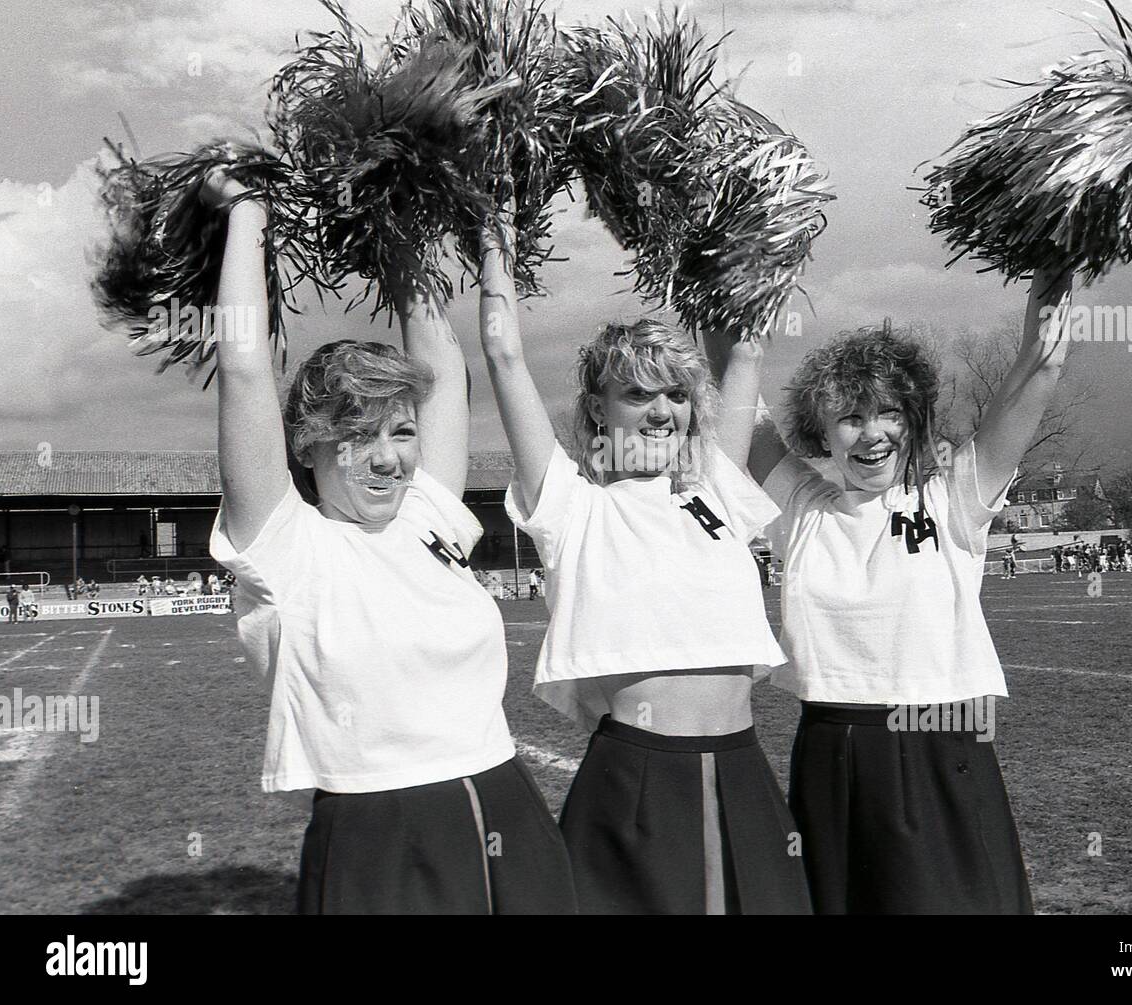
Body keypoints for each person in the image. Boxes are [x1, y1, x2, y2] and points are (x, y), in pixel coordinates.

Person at [199, 169, 575, 915]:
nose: (387, 457)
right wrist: (246, 213)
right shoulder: (286, 547)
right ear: (306, 445)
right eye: (355, 433)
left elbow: (436, 351)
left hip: (507, 805)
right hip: (377, 833)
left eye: (402, 432)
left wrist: (403, 198)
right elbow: (243, 370)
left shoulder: (428, 516)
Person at [480, 201, 809, 915]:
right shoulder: (572, 504)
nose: (662, 410)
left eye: (675, 394)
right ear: (599, 408)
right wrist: (495, 237)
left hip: (744, 771)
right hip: (634, 783)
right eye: (636, 392)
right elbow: (504, 354)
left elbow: (746, 347)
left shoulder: (717, 481)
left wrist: (727, 221)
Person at [731, 264, 1076, 914]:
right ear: (821, 429)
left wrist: (1054, 258)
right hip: (831, 757)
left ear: (914, 419)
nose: (873, 431)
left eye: (890, 411)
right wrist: (717, 273)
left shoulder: (954, 498)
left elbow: (1041, 368)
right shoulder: (801, 504)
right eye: (851, 416)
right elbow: (738, 396)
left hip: (937, 751)